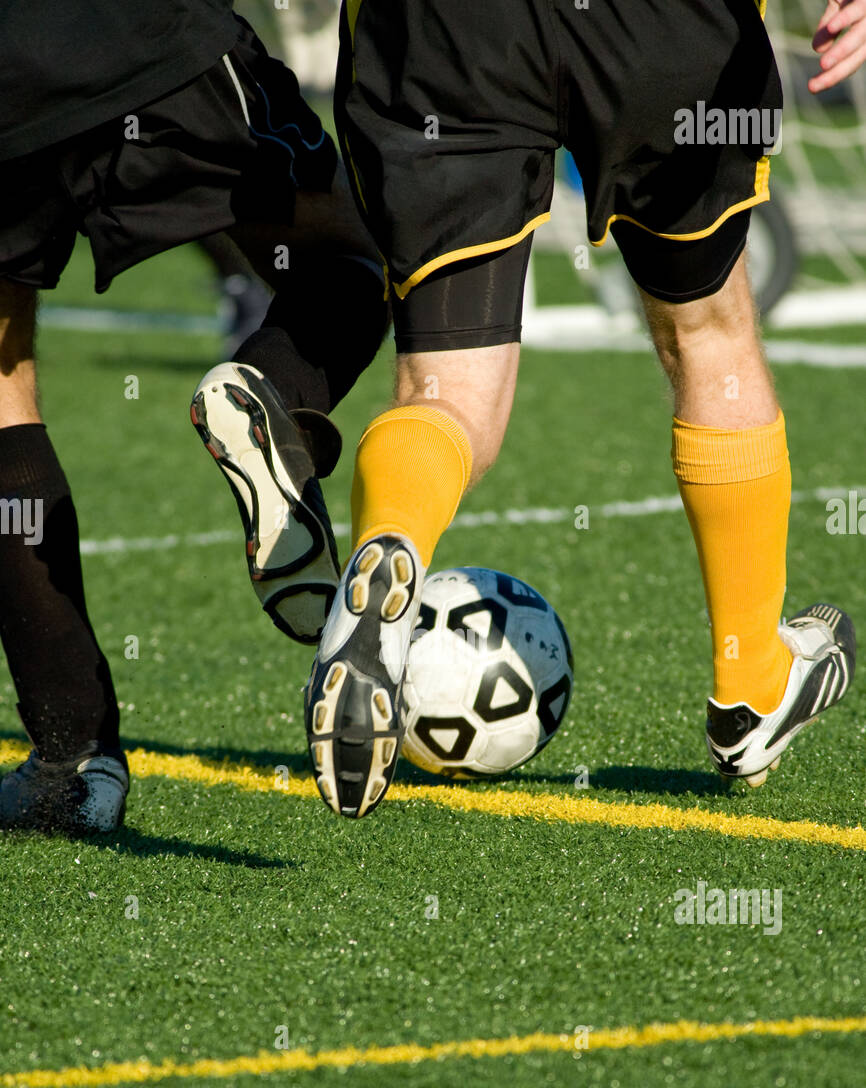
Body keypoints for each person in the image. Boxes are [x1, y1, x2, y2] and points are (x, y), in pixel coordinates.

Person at [301, 0, 861, 819]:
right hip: (659, 29)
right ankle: (751, 687)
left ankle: (389, 543)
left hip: (445, 31)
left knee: (447, 388)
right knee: (709, 330)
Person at [0, 0, 386, 833]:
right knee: (350, 260)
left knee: (0, 384)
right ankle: (267, 389)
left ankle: (72, 760)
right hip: (153, 43)